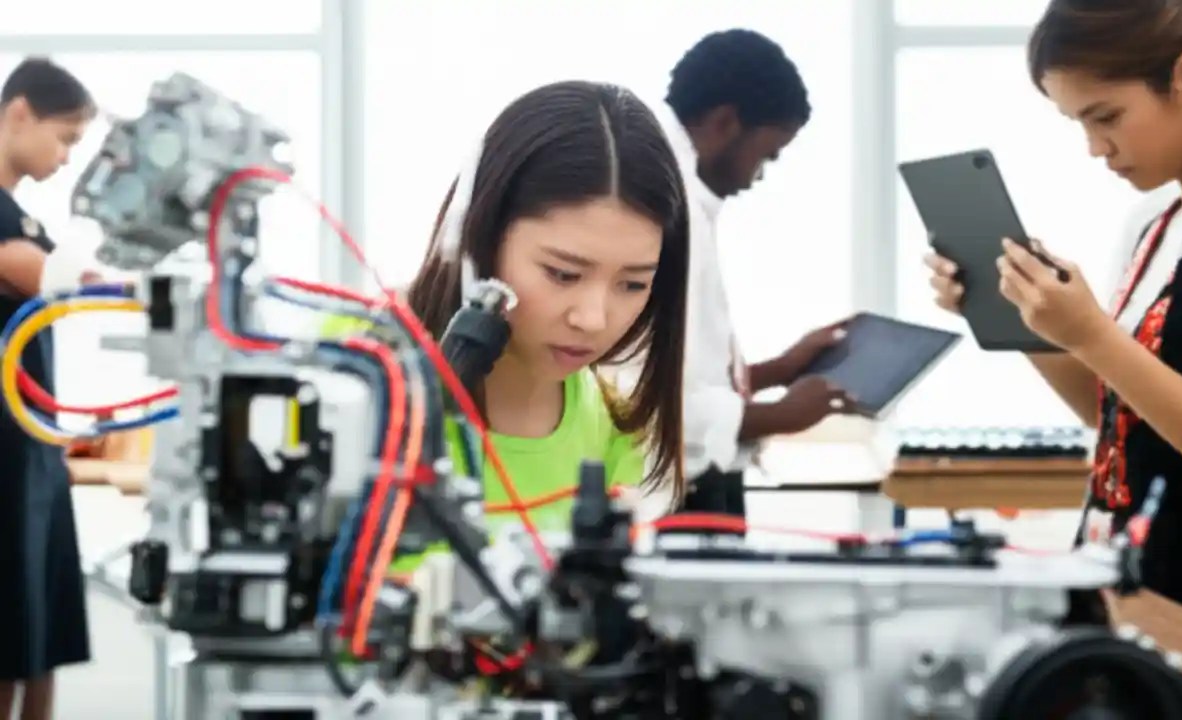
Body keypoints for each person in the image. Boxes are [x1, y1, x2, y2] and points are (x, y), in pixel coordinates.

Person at [926, 0, 1182, 640]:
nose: (1093, 148)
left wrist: (1093, 336)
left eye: (1105, 117)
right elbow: (1120, 415)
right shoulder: (1153, 225)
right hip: (1140, 588)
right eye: (1077, 123)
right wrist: (1032, 321)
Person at [327, 80, 690, 528]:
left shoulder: (615, 425)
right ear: (481, 236)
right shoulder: (344, 367)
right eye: (563, 274)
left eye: (633, 284)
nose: (593, 319)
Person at [656, 29, 856, 519]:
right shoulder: (655, 206)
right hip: (672, 491)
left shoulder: (686, 199)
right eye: (766, 155)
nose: (757, 176)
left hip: (700, 479)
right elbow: (635, 397)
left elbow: (684, 371)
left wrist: (779, 370)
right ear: (725, 122)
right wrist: (780, 415)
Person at [0, 57, 97, 720]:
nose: (65, 158)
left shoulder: (21, 216)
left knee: (42, 637)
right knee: (9, 634)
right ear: (19, 113)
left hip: (32, 449)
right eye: (63, 138)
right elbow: (44, 279)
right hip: (3, 458)